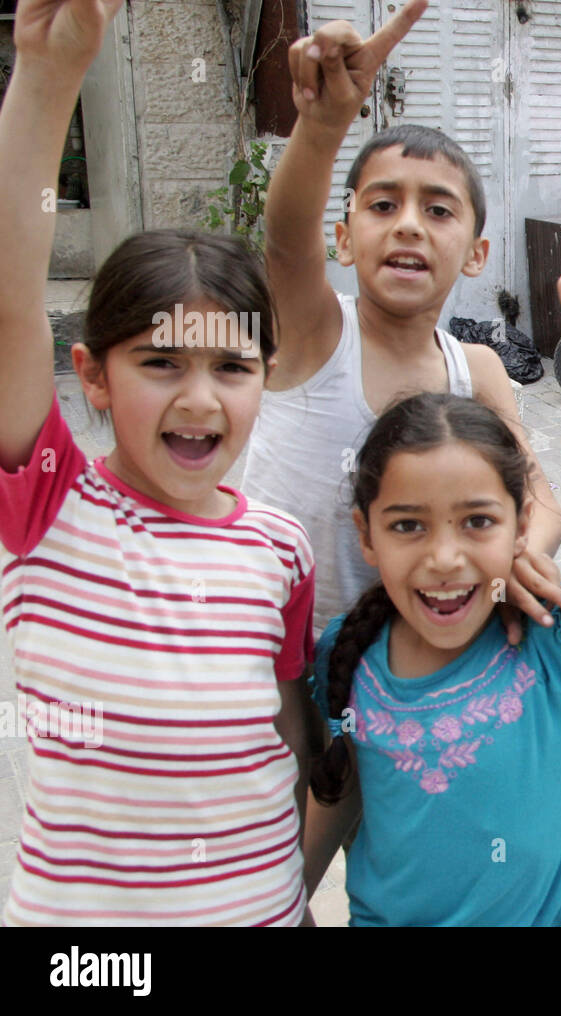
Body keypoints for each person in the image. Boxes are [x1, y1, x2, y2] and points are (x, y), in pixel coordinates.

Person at [0, 0, 313, 925]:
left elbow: (288, 728)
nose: (200, 399)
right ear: (92, 378)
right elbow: (9, 306)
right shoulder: (46, 507)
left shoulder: (280, 547)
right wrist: (51, 78)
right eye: (161, 362)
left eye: (232, 366)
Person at [299, 279, 561, 926]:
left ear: (521, 521)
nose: (444, 557)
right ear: (365, 534)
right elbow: (342, 791)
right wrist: (279, 901)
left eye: (477, 522)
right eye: (407, 525)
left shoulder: (553, 634)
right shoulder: (349, 651)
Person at [242, 0, 561, 637]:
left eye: (439, 211)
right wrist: (325, 124)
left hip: (405, 669)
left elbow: (539, 503)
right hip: (278, 654)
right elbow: (284, 240)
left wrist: (526, 551)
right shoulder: (316, 335)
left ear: (477, 255)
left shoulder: (477, 371)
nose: (410, 223)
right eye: (383, 204)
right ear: (343, 238)